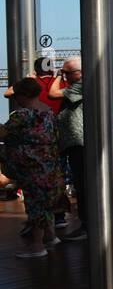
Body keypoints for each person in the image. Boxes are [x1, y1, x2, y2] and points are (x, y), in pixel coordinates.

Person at [1, 77, 63, 258]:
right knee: (47, 200)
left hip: (32, 165)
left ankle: (37, 245)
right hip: (49, 163)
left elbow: (4, 132)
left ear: (23, 95)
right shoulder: (48, 112)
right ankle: (50, 236)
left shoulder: (23, 114)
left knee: (35, 203)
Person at [48, 57, 88, 240]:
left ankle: (87, 225)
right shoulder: (82, 84)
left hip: (78, 141)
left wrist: (57, 76)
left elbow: (53, 93)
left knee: (82, 183)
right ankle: (87, 223)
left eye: (66, 72)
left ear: (78, 73)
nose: (64, 75)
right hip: (75, 142)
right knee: (81, 183)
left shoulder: (80, 85)